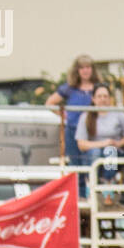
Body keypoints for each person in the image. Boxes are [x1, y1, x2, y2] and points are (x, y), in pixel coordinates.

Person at [46, 54, 101, 197]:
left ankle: (95, 195)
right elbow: (50, 103)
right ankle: (79, 196)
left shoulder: (97, 87)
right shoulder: (70, 88)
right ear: (77, 70)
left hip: (92, 131)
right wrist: (63, 115)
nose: (85, 71)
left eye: (88, 67)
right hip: (73, 131)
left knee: (93, 163)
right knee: (76, 165)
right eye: (82, 68)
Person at [75, 83, 124, 202]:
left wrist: (117, 143)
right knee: (95, 152)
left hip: (114, 153)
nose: (103, 99)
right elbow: (81, 144)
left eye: (105, 96)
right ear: (93, 99)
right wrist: (104, 143)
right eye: (99, 96)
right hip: (93, 154)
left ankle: (107, 191)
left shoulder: (118, 115)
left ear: (110, 99)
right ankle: (93, 187)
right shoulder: (86, 116)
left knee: (110, 151)